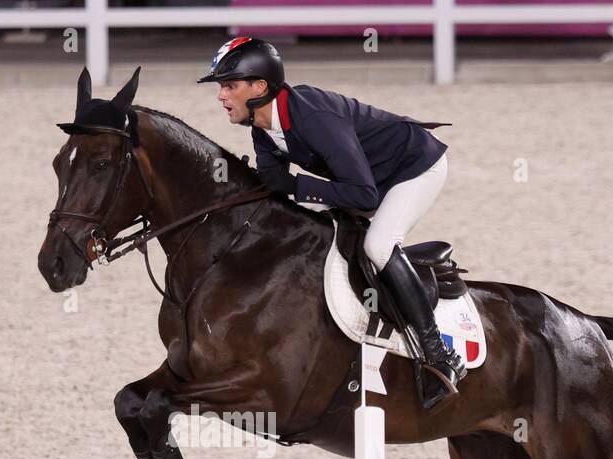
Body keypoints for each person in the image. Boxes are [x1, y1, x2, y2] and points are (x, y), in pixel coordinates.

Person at [199, 36, 466, 408]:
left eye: (229, 86)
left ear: (259, 87)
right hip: (366, 178)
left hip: (414, 167)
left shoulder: (313, 117)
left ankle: (439, 355)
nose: (221, 96)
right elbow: (274, 189)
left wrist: (296, 185)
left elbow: (363, 197)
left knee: (378, 245)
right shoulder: (262, 128)